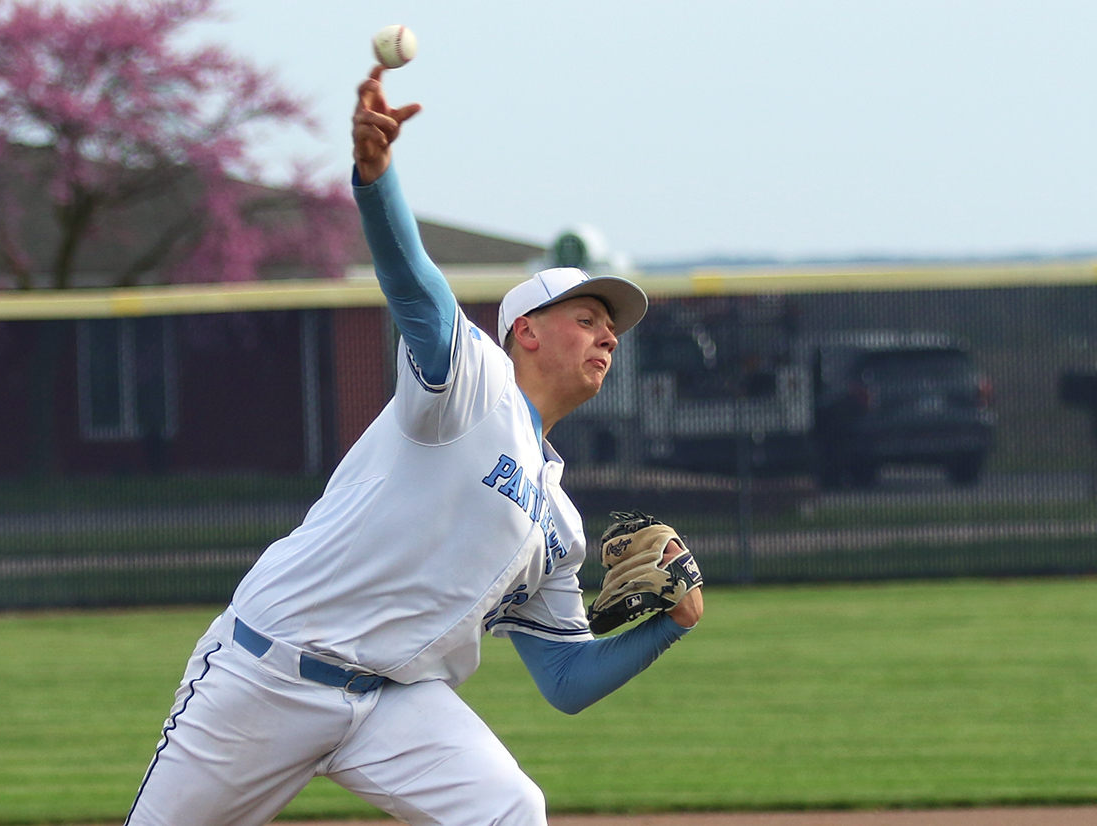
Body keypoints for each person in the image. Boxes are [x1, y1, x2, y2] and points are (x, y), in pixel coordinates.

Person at [123, 65, 703, 826]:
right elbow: (415, 288)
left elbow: (566, 679)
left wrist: (671, 624)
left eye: (612, 329)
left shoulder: (557, 521)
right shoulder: (473, 384)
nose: (606, 335)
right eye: (588, 316)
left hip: (394, 707)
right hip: (268, 677)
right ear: (524, 330)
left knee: (511, 812)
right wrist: (375, 176)